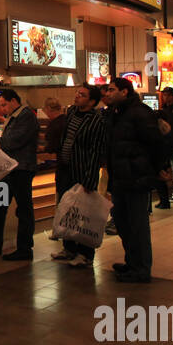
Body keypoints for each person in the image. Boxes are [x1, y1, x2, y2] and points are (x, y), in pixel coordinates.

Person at [103, 77, 165, 283]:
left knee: (137, 224)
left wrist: (156, 171)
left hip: (137, 177)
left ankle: (141, 268)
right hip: (120, 177)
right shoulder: (116, 114)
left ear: (125, 92)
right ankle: (132, 262)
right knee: (122, 222)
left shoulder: (140, 113)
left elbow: (156, 144)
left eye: (111, 90)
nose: (107, 93)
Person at [52, 84, 109, 266]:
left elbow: (95, 150)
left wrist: (90, 178)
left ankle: (85, 254)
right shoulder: (71, 113)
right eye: (77, 93)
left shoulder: (97, 120)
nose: (77, 96)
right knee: (67, 208)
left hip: (82, 170)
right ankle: (68, 248)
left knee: (83, 212)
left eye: (82, 95)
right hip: (65, 169)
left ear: (92, 101)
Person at [0, 88, 38, 261]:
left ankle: (25, 248)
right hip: (8, 173)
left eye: (4, 104)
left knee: (23, 208)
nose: (2, 109)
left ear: (13, 101)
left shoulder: (26, 115)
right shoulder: (15, 116)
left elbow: (14, 141)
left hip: (21, 170)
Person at [43, 98, 67, 165]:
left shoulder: (54, 124)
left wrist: (39, 148)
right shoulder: (67, 119)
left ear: (48, 109)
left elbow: (51, 148)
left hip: (62, 161)